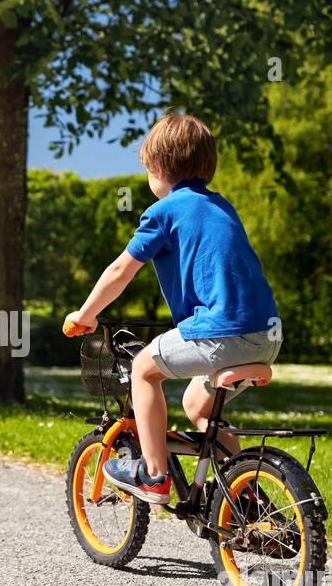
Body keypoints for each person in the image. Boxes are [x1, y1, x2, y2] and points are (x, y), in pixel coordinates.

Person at [63, 113, 280, 504]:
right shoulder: (222, 206)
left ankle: (154, 474)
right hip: (266, 335)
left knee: (144, 370)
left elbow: (120, 270)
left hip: (221, 331)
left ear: (159, 168)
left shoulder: (163, 212)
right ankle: (246, 495)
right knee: (197, 404)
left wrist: (85, 314)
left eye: (147, 169)